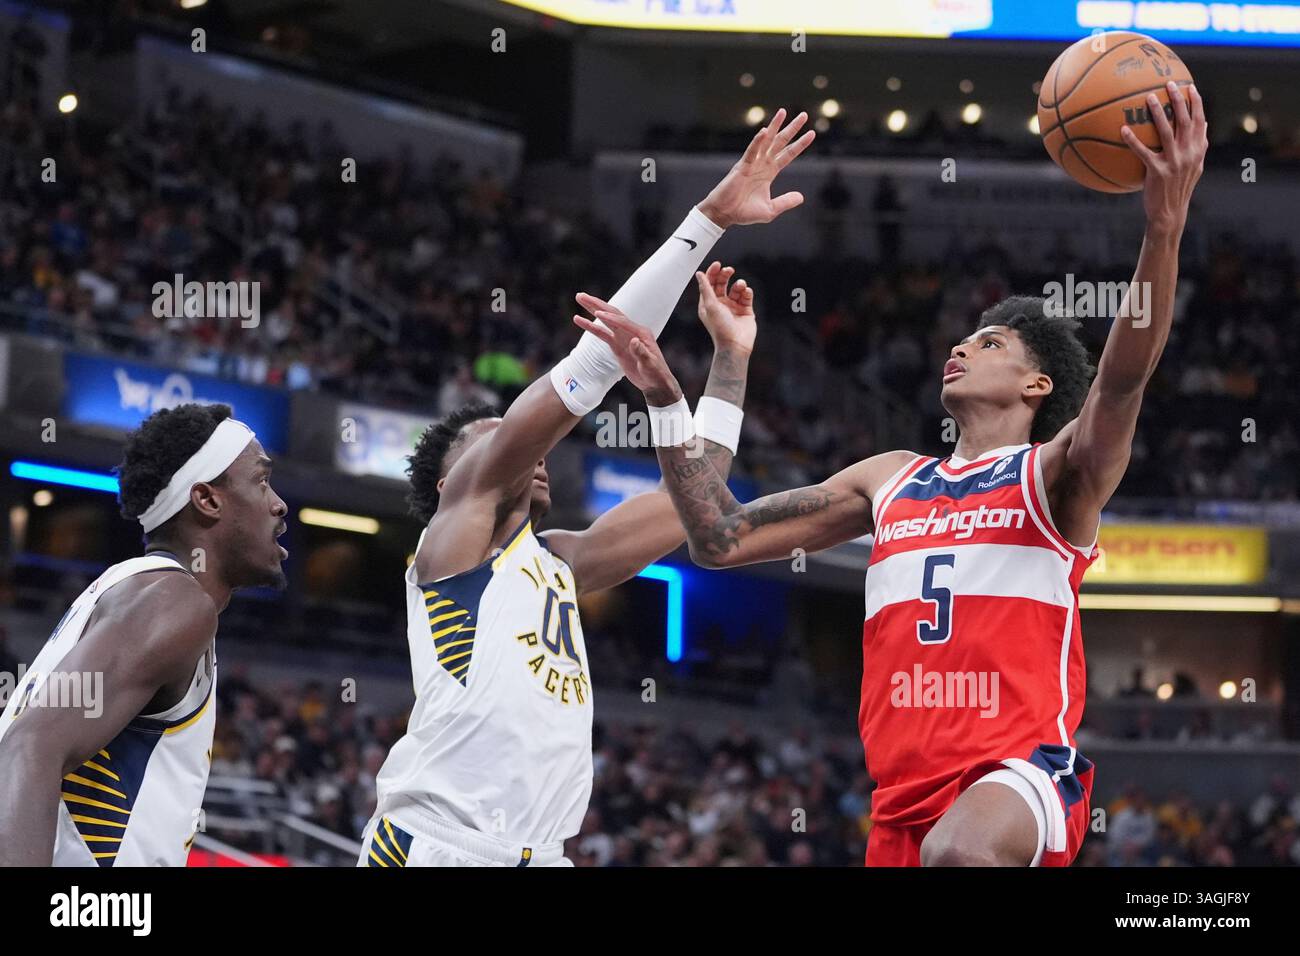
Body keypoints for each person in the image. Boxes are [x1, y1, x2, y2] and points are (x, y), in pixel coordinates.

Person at [588, 82, 1208, 867]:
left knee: (960, 853)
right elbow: (716, 535)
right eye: (964, 337)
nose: (962, 346)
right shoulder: (891, 479)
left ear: (1037, 386)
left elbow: (1122, 380)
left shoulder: (1056, 477)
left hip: (1017, 774)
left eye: (989, 343)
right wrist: (699, 381)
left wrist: (1163, 224)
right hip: (900, 798)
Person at [359, 109, 815, 868]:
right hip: (442, 845)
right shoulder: (454, 543)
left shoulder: (563, 564)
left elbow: (699, 499)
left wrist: (730, 358)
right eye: (495, 439)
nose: (523, 450)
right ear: (454, 479)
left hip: (542, 854)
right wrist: (707, 219)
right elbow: (598, 357)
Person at [0, 402, 289, 865]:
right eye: (260, 480)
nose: (278, 503)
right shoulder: (173, 601)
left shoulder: (135, 591)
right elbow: (28, 748)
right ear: (208, 499)